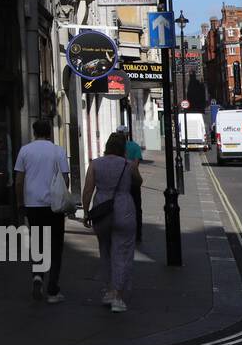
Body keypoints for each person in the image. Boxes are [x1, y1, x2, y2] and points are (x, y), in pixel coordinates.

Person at [14, 119, 70, 304]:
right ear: (50, 133)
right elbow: (65, 179)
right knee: (56, 246)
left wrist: (20, 203)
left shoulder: (25, 151)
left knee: (38, 243)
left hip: (32, 205)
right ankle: (53, 290)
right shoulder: (58, 151)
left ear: (34, 132)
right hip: (53, 206)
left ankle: (37, 276)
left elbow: (19, 181)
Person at [82, 131, 137, 313]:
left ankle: (108, 290)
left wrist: (86, 212)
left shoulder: (95, 164)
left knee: (105, 252)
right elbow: (138, 181)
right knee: (123, 253)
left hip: (102, 211)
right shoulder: (128, 165)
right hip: (124, 211)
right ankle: (117, 295)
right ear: (123, 148)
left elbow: (88, 190)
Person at [118, 126, 145, 242]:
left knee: (120, 209)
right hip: (133, 182)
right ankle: (138, 234)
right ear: (127, 134)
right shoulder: (135, 147)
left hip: (119, 182)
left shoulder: (115, 148)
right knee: (136, 209)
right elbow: (136, 165)